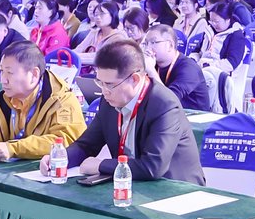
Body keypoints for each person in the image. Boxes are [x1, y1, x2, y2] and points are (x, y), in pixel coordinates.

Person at [66, 40, 204, 182]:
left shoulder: (164, 105)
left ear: (135, 79)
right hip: (129, 181)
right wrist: (60, 158)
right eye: (99, 82)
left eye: (109, 84)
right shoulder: (108, 101)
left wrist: (101, 165)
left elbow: (152, 167)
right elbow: (86, 145)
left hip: (175, 186)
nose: (104, 91)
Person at [143, 23, 210, 111]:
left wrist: (151, 70)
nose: (148, 48)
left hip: (192, 116)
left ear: (170, 45)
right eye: (145, 43)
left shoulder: (189, 68)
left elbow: (169, 101)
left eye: (153, 42)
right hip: (166, 113)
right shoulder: (153, 63)